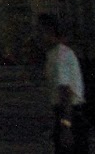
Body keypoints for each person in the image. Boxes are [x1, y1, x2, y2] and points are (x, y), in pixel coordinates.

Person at [36, 14, 88, 154]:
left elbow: (65, 91)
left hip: (70, 116)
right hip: (71, 115)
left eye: (40, 31)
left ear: (50, 32)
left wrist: (66, 125)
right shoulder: (57, 53)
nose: (37, 36)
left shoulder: (59, 56)